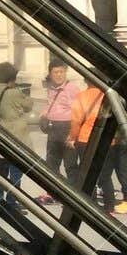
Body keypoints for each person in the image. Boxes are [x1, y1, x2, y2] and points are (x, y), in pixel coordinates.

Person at [68, 83, 127, 216]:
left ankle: (91, 202)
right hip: (106, 139)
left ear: (86, 81)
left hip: (85, 139)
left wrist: (72, 138)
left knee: (86, 172)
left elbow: (76, 120)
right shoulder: (109, 96)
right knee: (104, 175)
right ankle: (109, 205)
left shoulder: (82, 96)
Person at [0, 62, 32, 215]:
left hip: (0, 136)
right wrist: (25, 93)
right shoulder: (15, 93)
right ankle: (12, 201)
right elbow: (29, 106)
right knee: (16, 171)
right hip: (17, 138)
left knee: (2, 169)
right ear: (13, 78)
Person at [40, 58, 81, 189]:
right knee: (51, 164)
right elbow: (49, 105)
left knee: (70, 165)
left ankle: (74, 192)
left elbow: (79, 113)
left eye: (61, 72)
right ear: (50, 74)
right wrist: (43, 115)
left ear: (65, 72)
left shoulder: (73, 89)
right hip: (53, 129)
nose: (59, 75)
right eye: (55, 72)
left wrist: (73, 135)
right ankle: (56, 191)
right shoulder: (50, 88)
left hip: (68, 128)